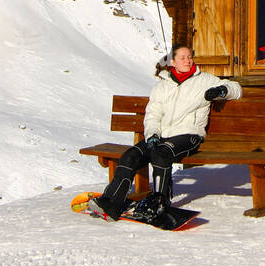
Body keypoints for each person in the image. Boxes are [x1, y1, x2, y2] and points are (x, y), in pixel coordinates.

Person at [88, 45, 241, 224]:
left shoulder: (204, 80)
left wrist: (222, 90)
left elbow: (236, 88)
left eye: (189, 57)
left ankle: (159, 203)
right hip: (161, 135)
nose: (188, 60)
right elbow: (153, 115)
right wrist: (152, 134)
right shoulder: (162, 86)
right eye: (183, 58)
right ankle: (112, 202)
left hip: (188, 134)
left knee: (162, 154)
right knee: (131, 155)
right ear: (173, 62)